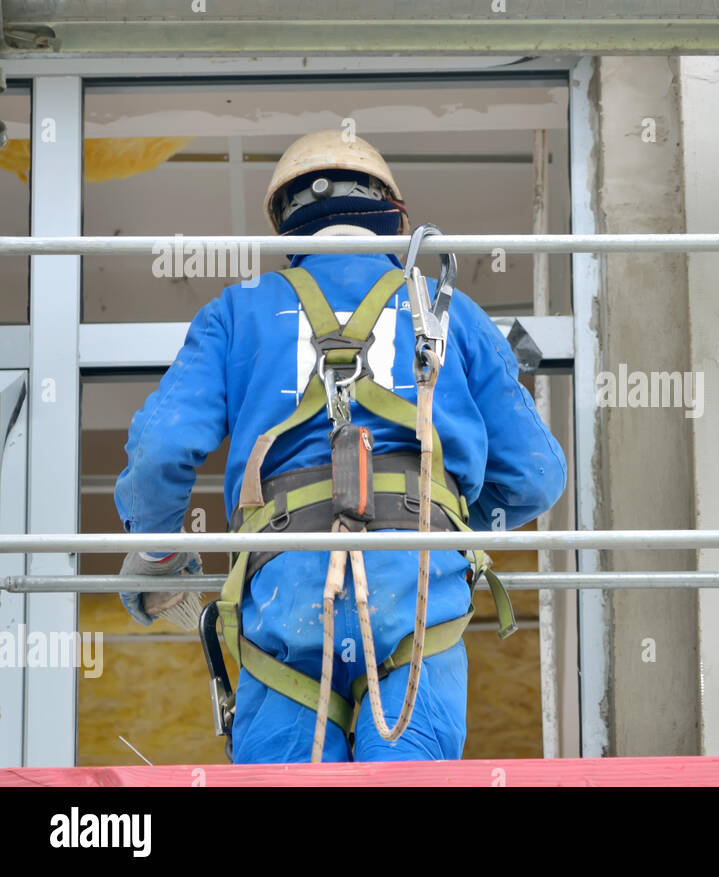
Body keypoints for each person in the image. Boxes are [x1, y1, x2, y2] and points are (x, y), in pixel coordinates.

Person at [114, 129, 566, 763]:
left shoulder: (238, 310)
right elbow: (537, 475)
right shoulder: (447, 311)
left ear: (288, 229)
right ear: (392, 217)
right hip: (416, 590)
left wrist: (160, 556)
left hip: (287, 596)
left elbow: (163, 449)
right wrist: (451, 521)